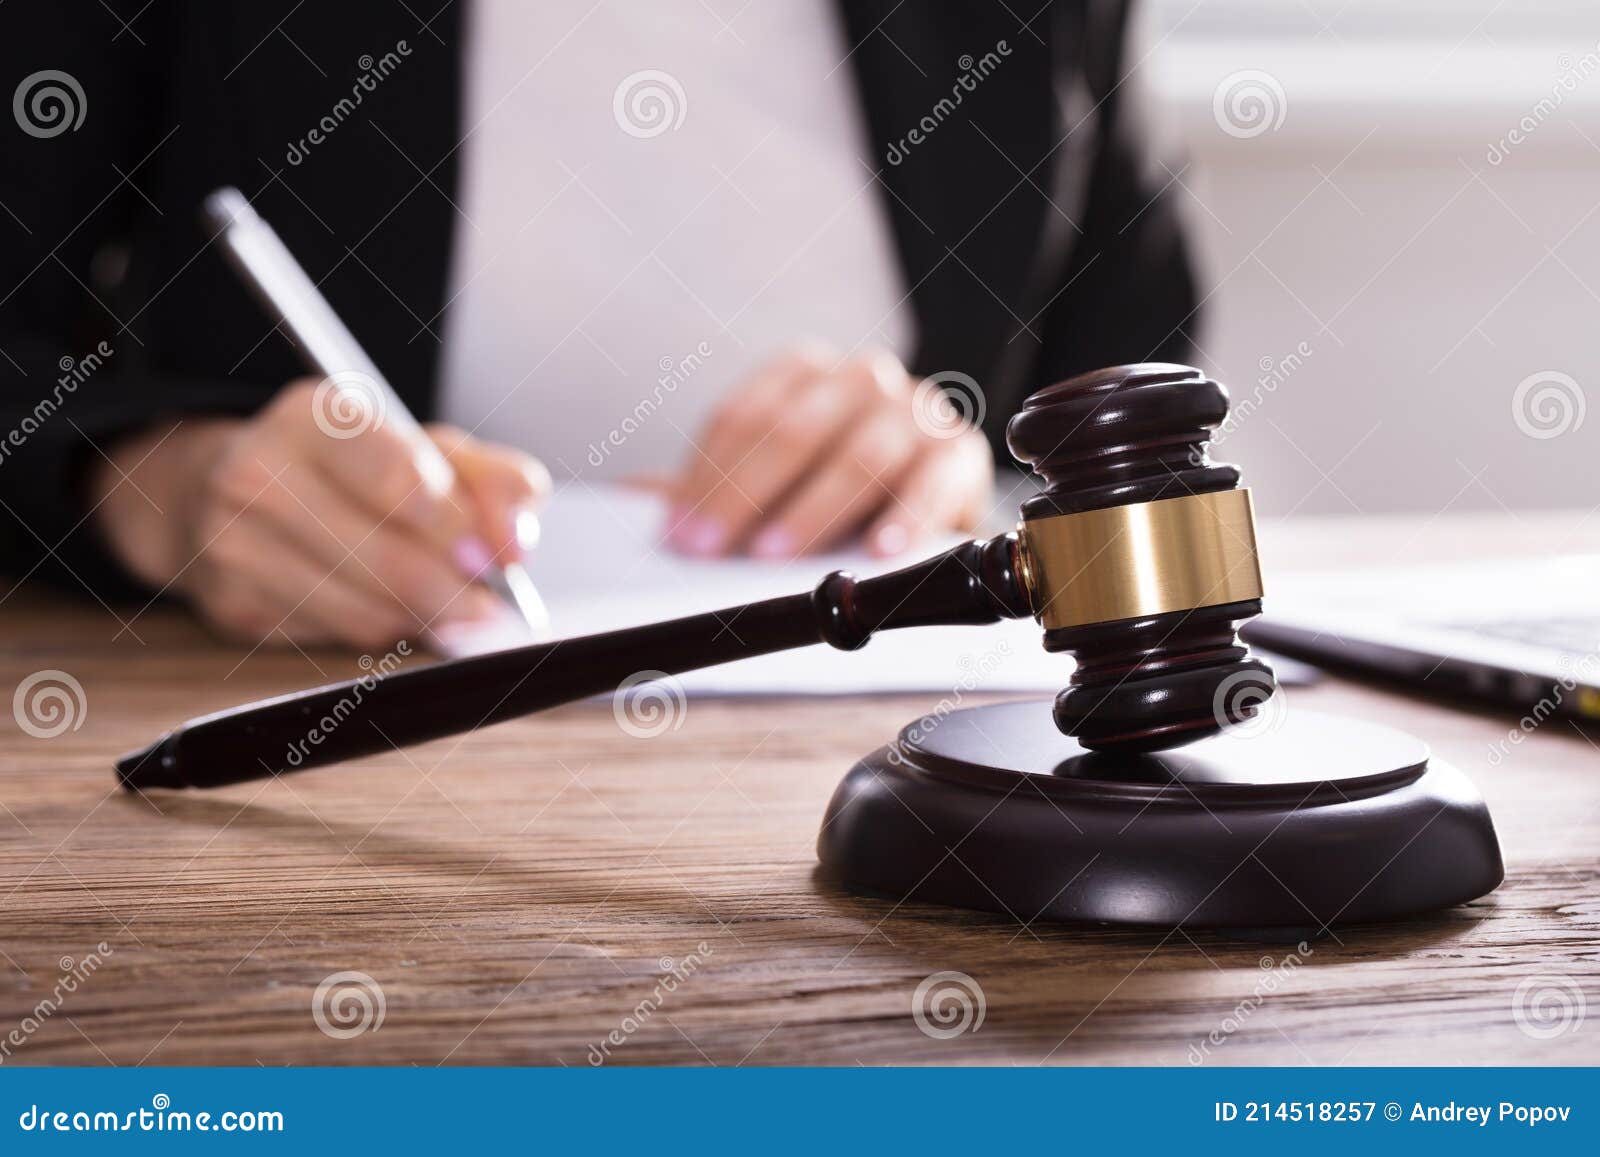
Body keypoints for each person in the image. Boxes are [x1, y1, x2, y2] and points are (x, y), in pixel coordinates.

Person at [0, 0, 1197, 649]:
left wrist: (965, 472)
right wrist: (161, 489)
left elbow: (1142, 385)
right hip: (307, 721)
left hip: (866, 755)